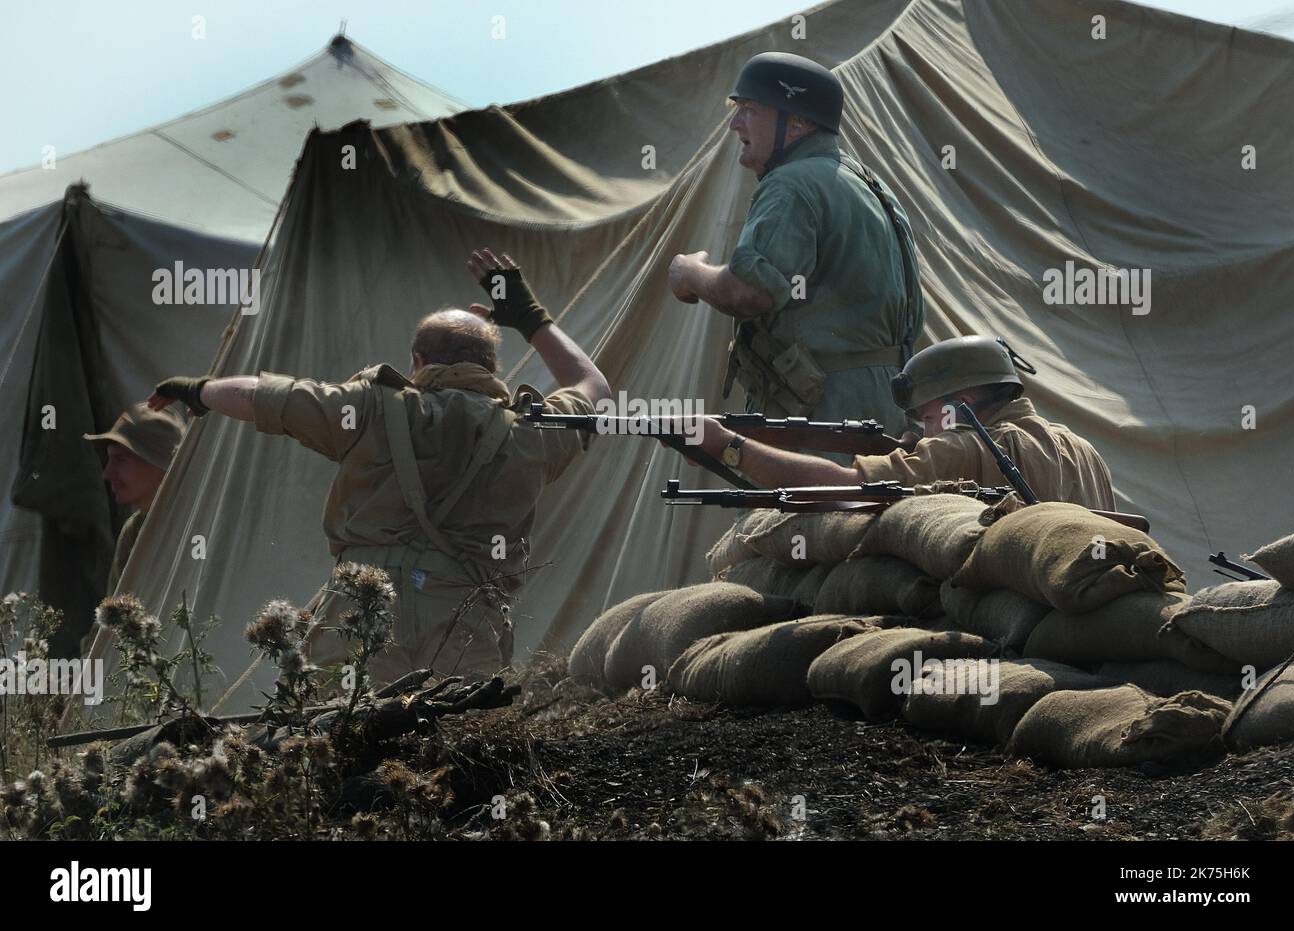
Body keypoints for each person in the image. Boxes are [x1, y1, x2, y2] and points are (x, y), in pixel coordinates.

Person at [148, 249, 612, 684]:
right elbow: (594, 386)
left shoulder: (367, 408)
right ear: (492, 367)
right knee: (455, 758)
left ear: (418, 361)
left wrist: (198, 389)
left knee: (346, 752)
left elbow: (258, 396)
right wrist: (530, 318)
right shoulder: (532, 433)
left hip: (363, 612)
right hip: (466, 620)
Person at [667, 51, 924, 444]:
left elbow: (749, 292)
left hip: (822, 418)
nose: (735, 123)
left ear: (798, 122)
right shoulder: (873, 187)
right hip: (887, 410)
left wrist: (691, 273)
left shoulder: (791, 185)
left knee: (792, 508)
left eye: (749, 109)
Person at [679, 336, 1116, 510]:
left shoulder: (967, 448)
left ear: (959, 405)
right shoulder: (1084, 451)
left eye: (927, 418)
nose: (924, 432)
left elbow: (843, 489)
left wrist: (728, 447)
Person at [83, 403, 186, 596]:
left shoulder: (196, 521)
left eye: (121, 460)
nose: (107, 473)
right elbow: (116, 616)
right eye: (109, 460)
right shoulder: (134, 531)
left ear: (159, 462)